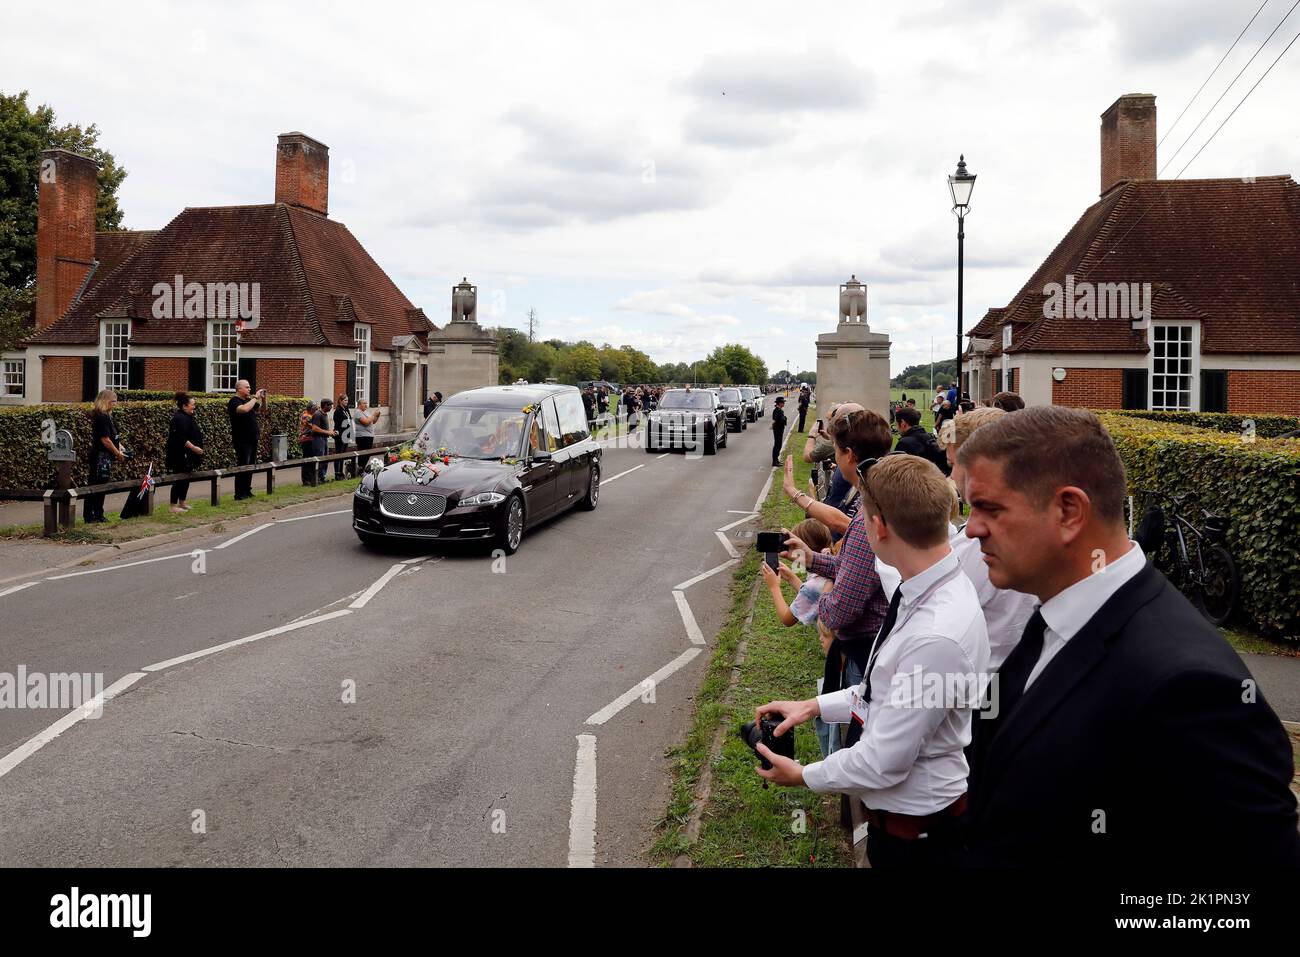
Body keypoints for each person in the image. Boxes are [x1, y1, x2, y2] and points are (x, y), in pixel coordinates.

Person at [959, 406, 1300, 868]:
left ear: (1069, 511)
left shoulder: (1190, 688)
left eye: (989, 508)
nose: (973, 528)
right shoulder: (1056, 619)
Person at [755, 454, 989, 869]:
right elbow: (887, 690)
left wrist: (804, 774)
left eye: (861, 516)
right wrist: (814, 706)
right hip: (909, 826)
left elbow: (883, 761)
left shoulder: (934, 635)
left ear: (878, 527)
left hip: (915, 841)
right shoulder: (925, 588)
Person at [777, 410, 893, 752]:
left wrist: (815, 595)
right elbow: (851, 565)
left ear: (849, 456)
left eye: (838, 449)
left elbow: (840, 610)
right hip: (870, 645)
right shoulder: (873, 500)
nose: (837, 456)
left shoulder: (868, 515)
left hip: (862, 651)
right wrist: (811, 559)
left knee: (858, 742)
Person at [944, 407, 1035, 670]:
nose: (951, 477)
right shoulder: (1042, 528)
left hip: (983, 684)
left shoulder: (974, 545)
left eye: (953, 465)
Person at [84, 389, 125, 523]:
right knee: (96, 485)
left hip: (105, 456)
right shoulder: (101, 417)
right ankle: (91, 515)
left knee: (102, 485)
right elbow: (105, 439)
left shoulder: (107, 416)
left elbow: (113, 437)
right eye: (113, 401)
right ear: (106, 401)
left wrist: (120, 447)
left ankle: (98, 514)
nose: (115, 404)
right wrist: (117, 453)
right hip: (100, 456)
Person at [165, 391, 204, 513]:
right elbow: (180, 438)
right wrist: (194, 448)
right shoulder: (179, 418)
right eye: (192, 404)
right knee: (179, 479)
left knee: (186, 479)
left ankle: (182, 503)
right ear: (184, 406)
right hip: (179, 455)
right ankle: (172, 506)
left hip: (188, 455)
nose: (194, 407)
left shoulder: (188, 417)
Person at [227, 380, 264, 501]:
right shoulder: (234, 401)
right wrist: (255, 398)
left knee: (250, 466)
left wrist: (263, 399)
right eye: (247, 387)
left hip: (252, 439)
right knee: (243, 465)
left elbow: (263, 410)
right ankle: (239, 493)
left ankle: (247, 490)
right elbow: (243, 410)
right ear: (239, 389)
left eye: (250, 387)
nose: (249, 389)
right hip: (242, 440)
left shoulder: (248, 401)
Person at [894, 406, 950, 475]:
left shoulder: (904, 444)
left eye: (896, 424)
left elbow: (896, 474)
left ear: (903, 423)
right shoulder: (929, 438)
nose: (896, 427)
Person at [315, 399, 336, 482]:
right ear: (325, 405)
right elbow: (315, 428)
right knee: (320, 458)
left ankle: (322, 477)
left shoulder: (325, 414)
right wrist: (328, 432)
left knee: (325, 458)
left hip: (324, 439)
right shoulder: (318, 414)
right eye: (330, 405)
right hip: (318, 439)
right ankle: (318, 478)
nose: (331, 407)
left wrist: (331, 432)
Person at [333, 393, 353, 479]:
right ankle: (337, 473)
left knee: (343, 454)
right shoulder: (338, 410)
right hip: (340, 435)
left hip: (346, 435)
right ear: (340, 401)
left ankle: (341, 472)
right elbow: (338, 423)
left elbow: (350, 421)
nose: (347, 402)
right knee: (339, 454)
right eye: (345, 400)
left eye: (347, 400)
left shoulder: (346, 409)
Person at [770, 396, 787, 467]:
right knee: (777, 445)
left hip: (779, 429)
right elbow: (776, 420)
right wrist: (784, 419)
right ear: (779, 403)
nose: (784, 404)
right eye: (783, 402)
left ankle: (776, 460)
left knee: (779, 445)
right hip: (778, 429)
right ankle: (774, 461)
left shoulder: (779, 410)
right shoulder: (777, 410)